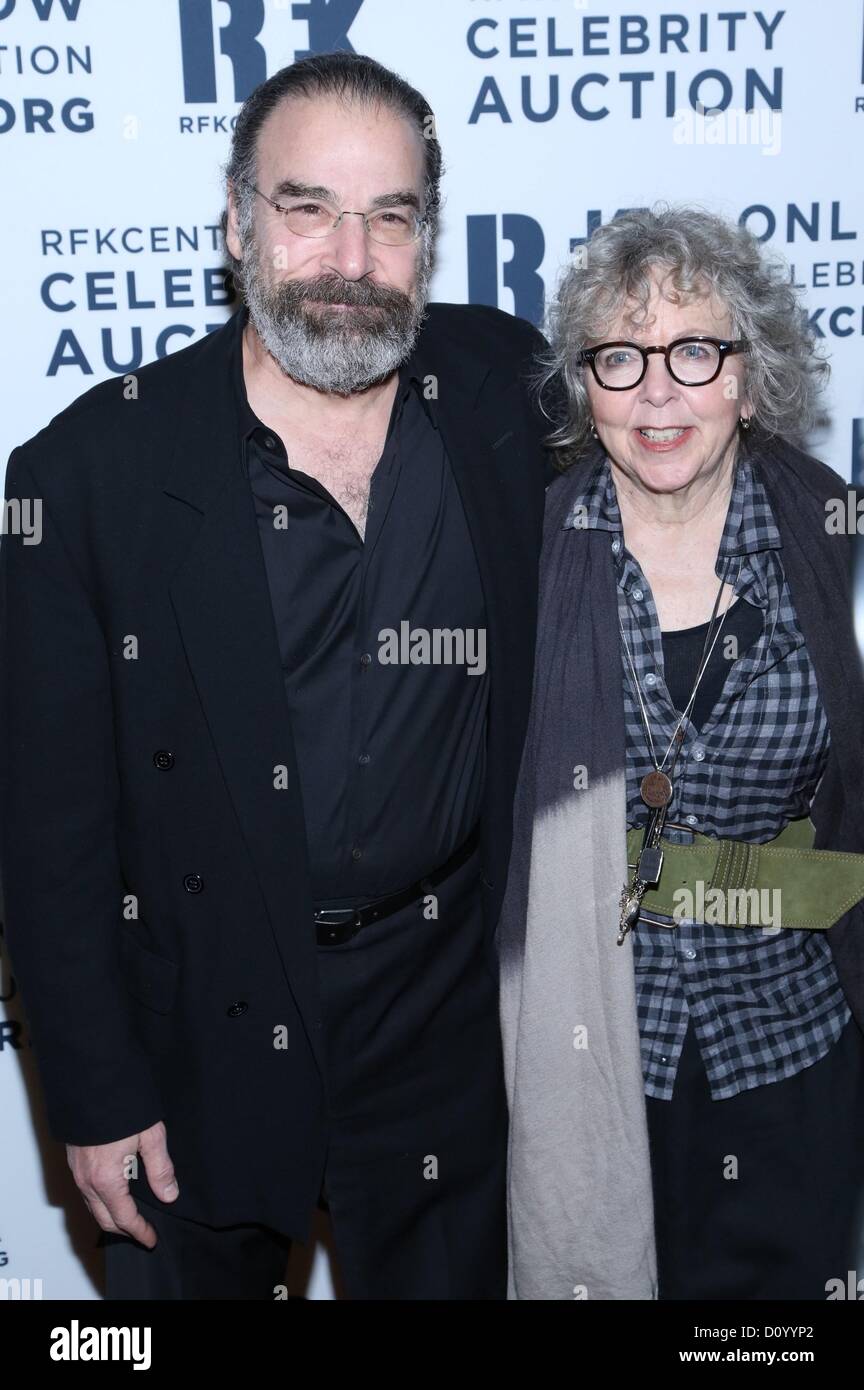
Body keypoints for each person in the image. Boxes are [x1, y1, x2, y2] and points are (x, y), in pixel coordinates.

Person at [0, 52, 556, 1300]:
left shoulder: (504, 394)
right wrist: (93, 1089)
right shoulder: (88, 476)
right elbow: (47, 835)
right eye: (309, 209)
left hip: (447, 1030)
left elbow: (684, 453)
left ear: (429, 236)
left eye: (392, 217)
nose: (351, 259)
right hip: (192, 1033)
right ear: (239, 222)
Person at [497, 205, 864, 1300]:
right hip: (588, 1057)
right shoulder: (524, 552)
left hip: (793, 1055)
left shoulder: (832, 543)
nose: (658, 392)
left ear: (750, 378)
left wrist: (734, 887)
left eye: (695, 351)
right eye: (621, 357)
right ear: (584, 388)